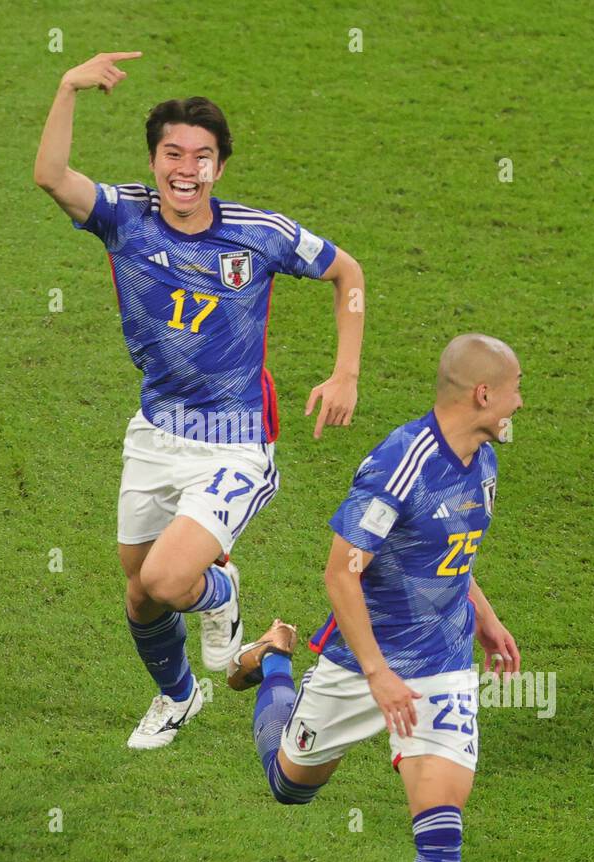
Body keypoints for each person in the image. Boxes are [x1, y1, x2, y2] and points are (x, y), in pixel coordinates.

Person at [34, 52, 366, 747]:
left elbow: (348, 273)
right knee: (141, 590)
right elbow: (50, 176)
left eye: (202, 156)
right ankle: (179, 697)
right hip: (155, 431)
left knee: (166, 575)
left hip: (236, 440)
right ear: (154, 160)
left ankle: (224, 593)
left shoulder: (259, 233)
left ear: (221, 166)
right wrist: (68, 86)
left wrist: (347, 374)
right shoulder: (124, 216)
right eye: (173, 154)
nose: (186, 169)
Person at [229, 334, 523, 862]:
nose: (520, 403)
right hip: (361, 661)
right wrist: (377, 673)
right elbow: (342, 573)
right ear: (483, 394)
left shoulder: (484, 464)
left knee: (440, 848)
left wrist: (485, 616)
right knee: (289, 786)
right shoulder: (400, 466)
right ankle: (274, 660)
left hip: (442, 667)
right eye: (515, 390)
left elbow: (450, 555)